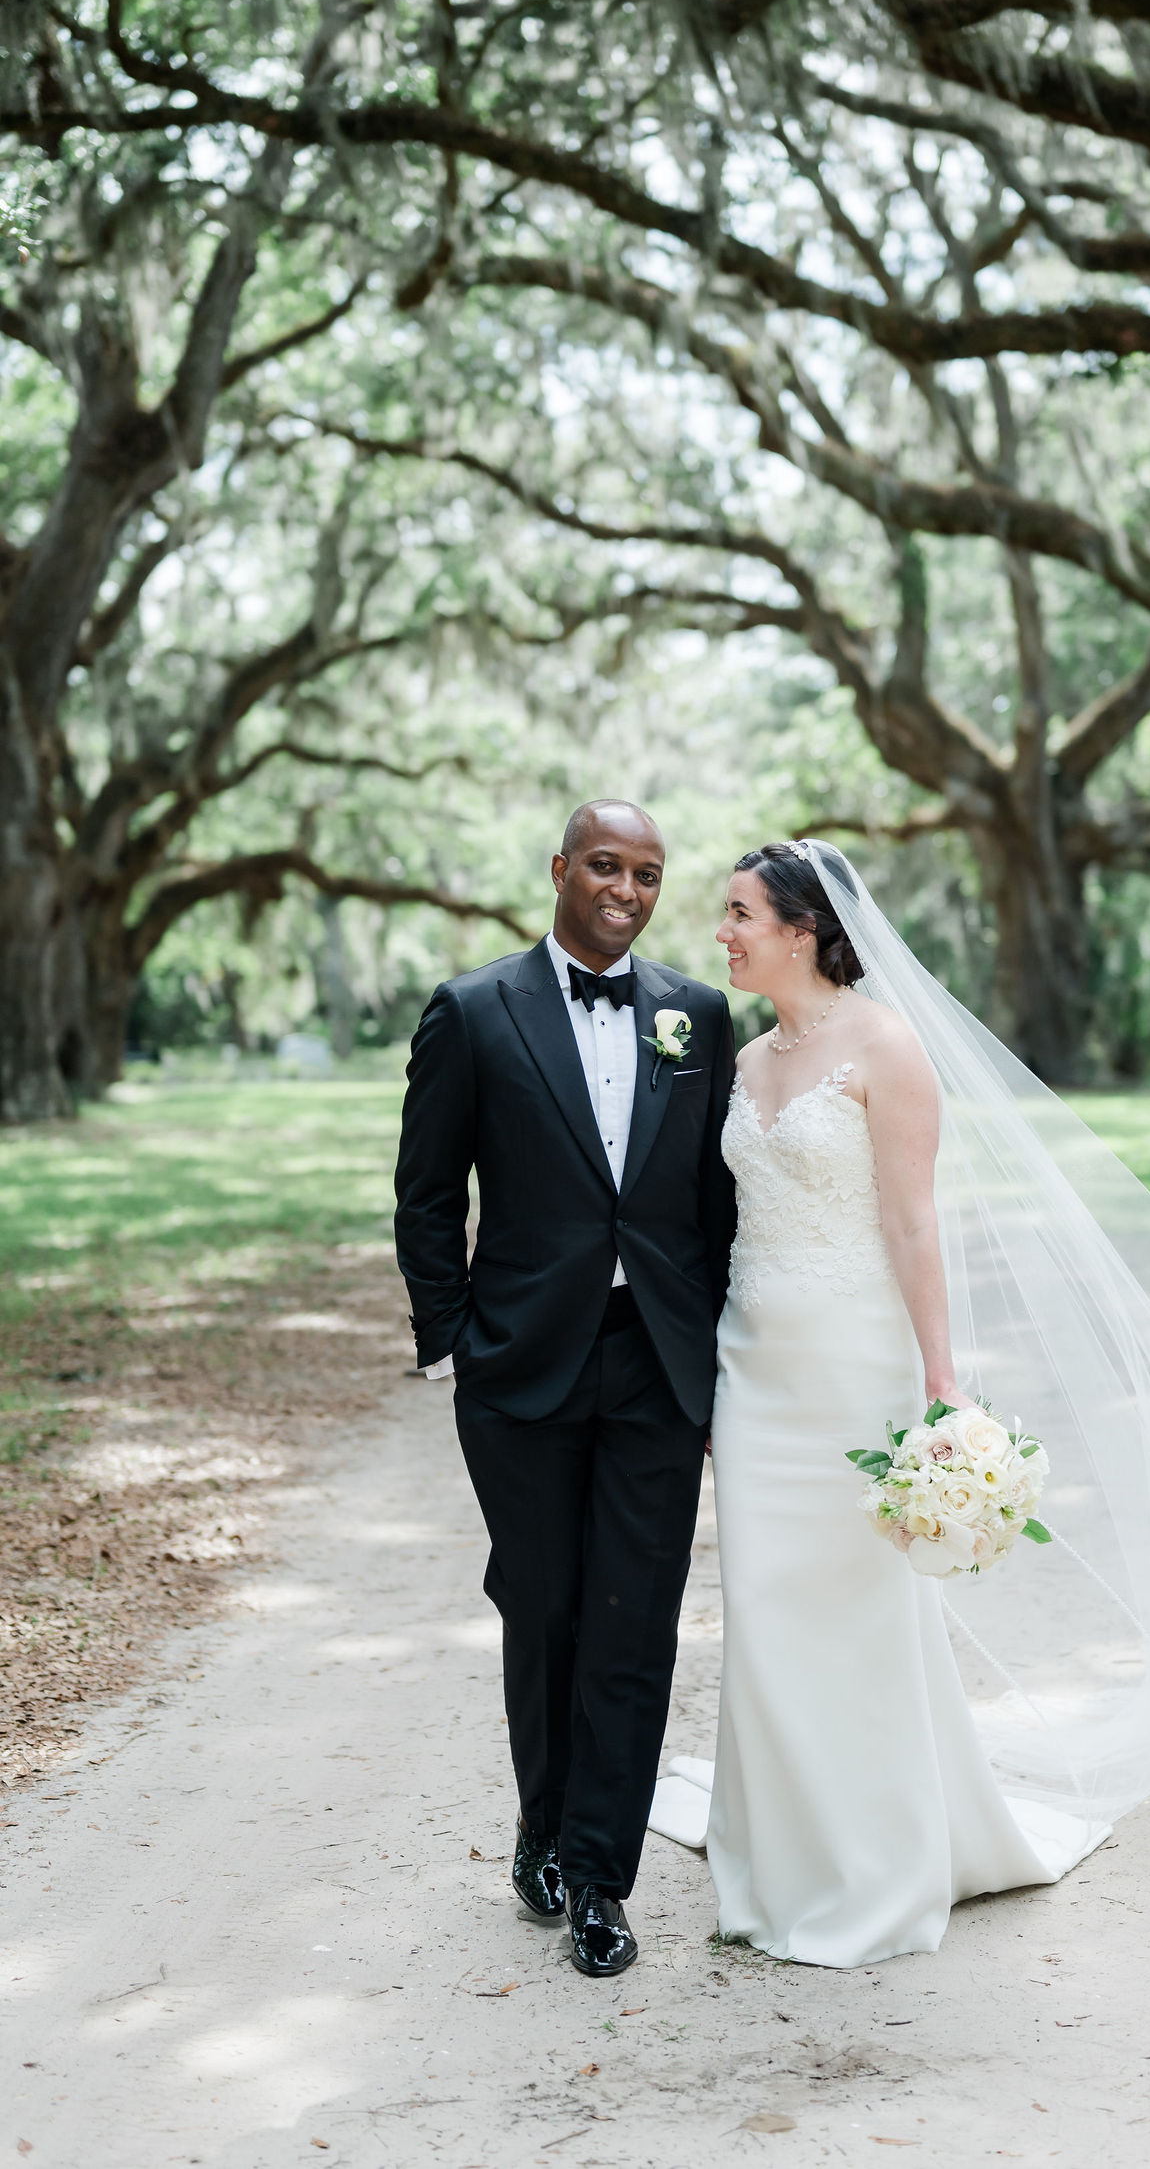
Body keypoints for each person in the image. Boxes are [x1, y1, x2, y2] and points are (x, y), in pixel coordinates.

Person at [650, 839, 1150, 1968]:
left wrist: (939, 1382)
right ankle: (773, 1853)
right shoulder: (744, 1056)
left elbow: (913, 1223)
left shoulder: (884, 1045)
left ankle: (877, 1866)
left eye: (737, 912)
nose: (719, 933)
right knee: (766, 1608)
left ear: (800, 926)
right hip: (755, 1365)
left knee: (859, 1607)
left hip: (851, 1364)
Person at [393, 801, 736, 1978]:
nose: (625, 889)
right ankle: (541, 1821)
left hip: (657, 1360)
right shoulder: (474, 1011)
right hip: (520, 1364)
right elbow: (429, 1193)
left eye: (646, 872)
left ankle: (599, 1876)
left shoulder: (698, 1014)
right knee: (542, 1608)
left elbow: (712, 1201)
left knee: (632, 1625)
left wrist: (720, 1347)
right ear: (557, 868)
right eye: (604, 864)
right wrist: (451, 1341)